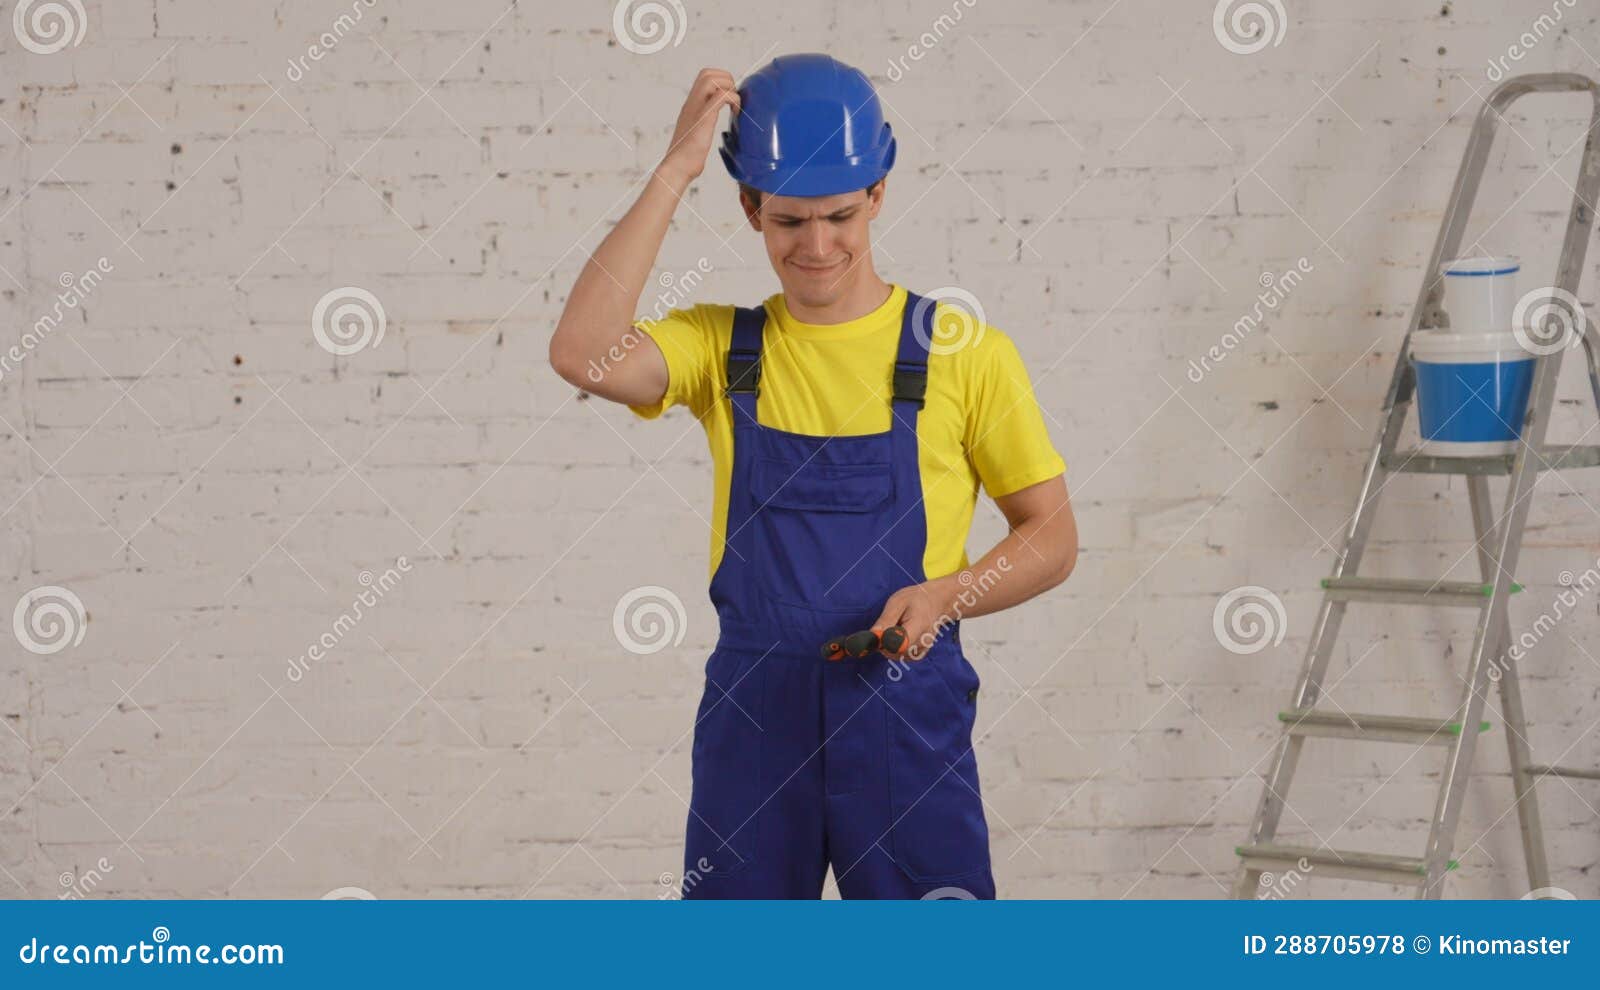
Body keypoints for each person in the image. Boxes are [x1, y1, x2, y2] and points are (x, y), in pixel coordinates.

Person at [550, 54, 1077, 899]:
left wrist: (950, 594)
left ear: (877, 194)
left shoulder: (964, 353)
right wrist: (675, 169)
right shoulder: (725, 349)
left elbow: (1052, 537)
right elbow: (581, 352)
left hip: (905, 715)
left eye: (840, 215)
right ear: (750, 207)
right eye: (790, 222)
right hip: (759, 717)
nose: (818, 247)